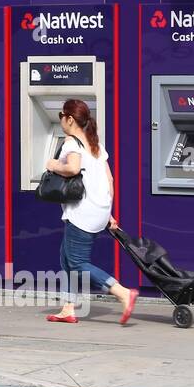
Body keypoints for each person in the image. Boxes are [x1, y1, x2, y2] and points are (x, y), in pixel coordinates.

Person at [44, 98, 138, 325]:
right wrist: (108, 213)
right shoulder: (95, 144)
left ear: (69, 119)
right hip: (100, 210)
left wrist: (53, 164)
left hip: (82, 213)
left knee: (77, 262)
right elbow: (110, 179)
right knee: (66, 256)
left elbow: (73, 168)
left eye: (61, 117)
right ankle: (68, 307)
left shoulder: (71, 144)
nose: (61, 121)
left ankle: (122, 292)